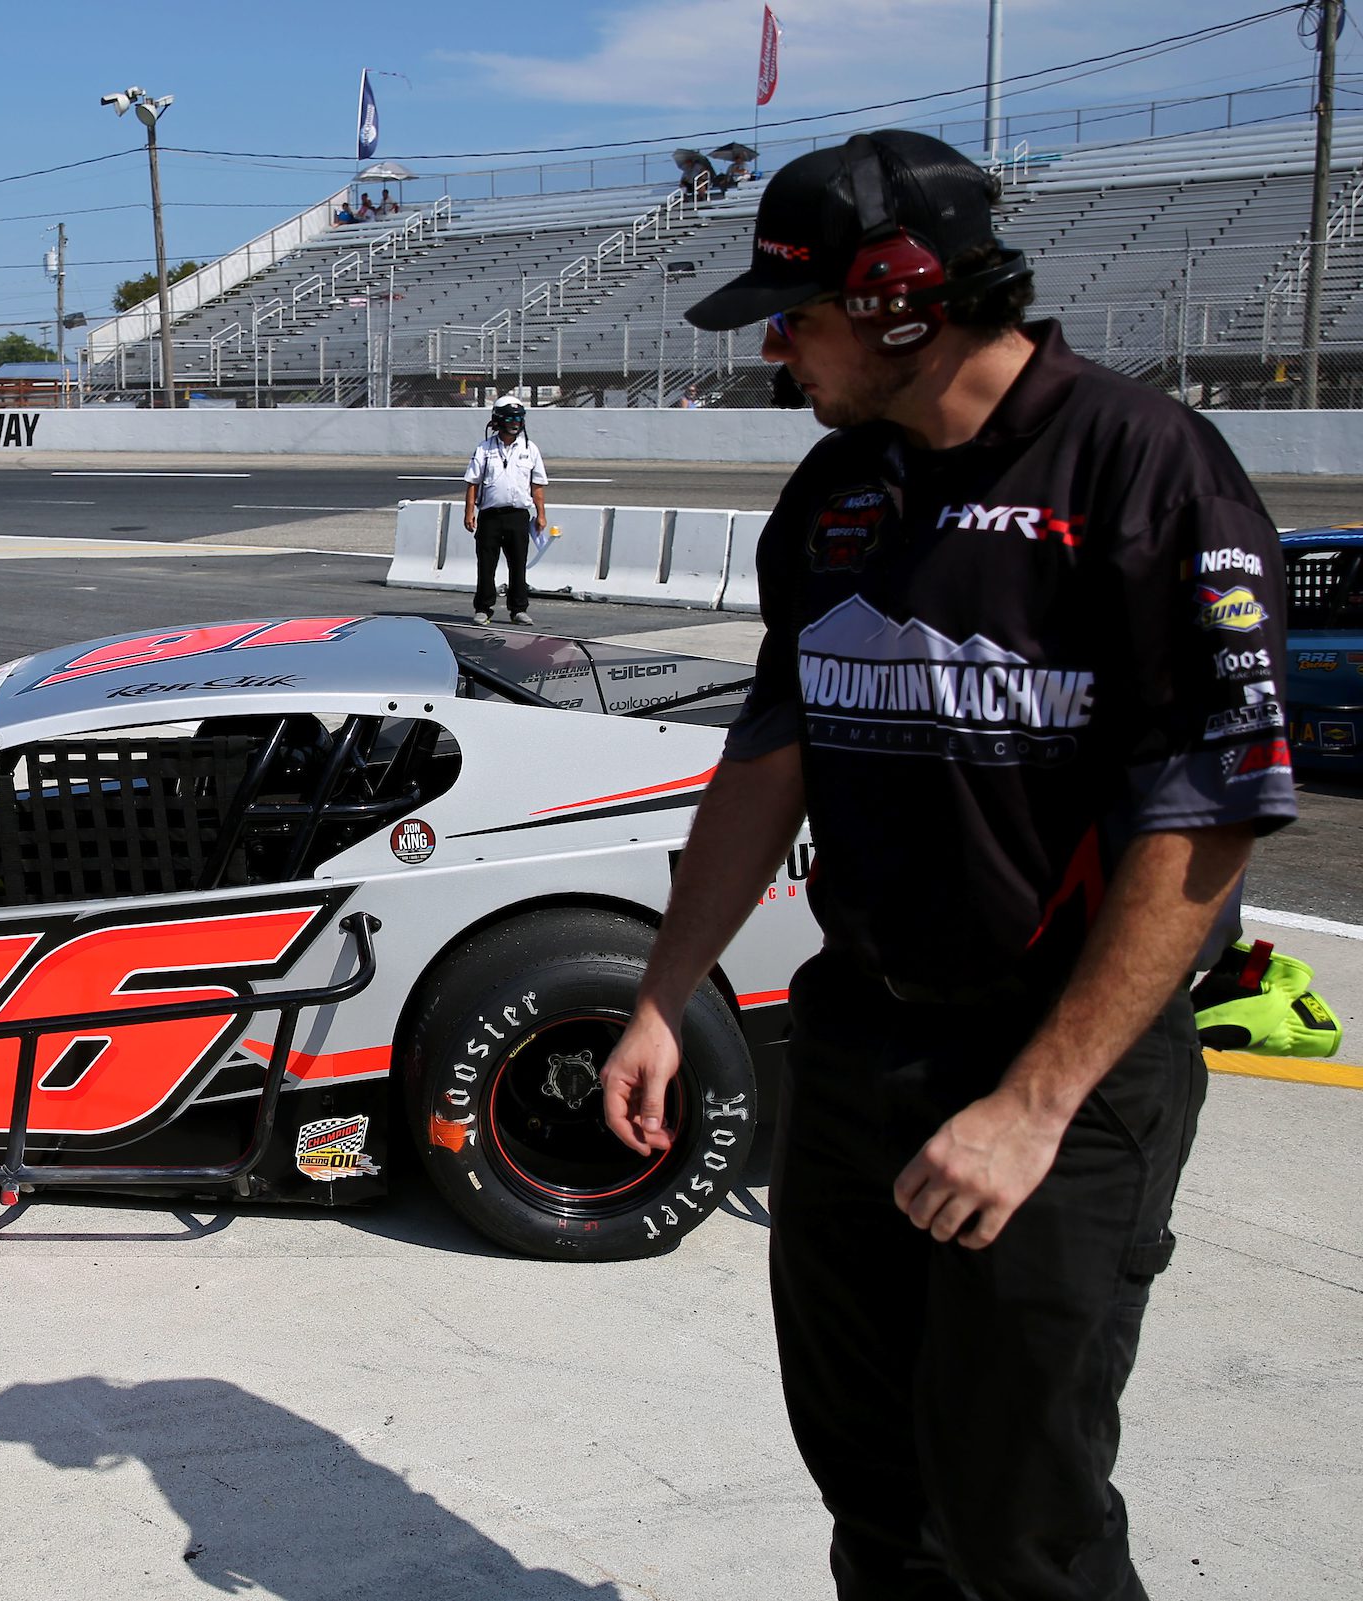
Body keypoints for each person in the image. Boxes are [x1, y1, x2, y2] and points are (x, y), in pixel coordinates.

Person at [597, 129, 1296, 1599]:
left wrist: (1034, 1107)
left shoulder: (1142, 463)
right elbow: (768, 755)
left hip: (1057, 1070)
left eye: (798, 315)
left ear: (905, 301)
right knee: (874, 1484)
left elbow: (1211, 811)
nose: (776, 349)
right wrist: (668, 993)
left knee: (1017, 1515)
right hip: (857, 1045)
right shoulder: (838, 496)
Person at [460, 394, 547, 627]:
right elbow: (472, 482)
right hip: (490, 517)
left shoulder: (530, 449)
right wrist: (469, 512)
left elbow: (537, 485)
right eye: (510, 418)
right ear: (498, 420)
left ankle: (518, 609)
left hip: (518, 516)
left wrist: (541, 514)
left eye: (519, 418)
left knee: (518, 564)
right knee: (486, 564)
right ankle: (483, 608)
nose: (515, 423)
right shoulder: (484, 449)